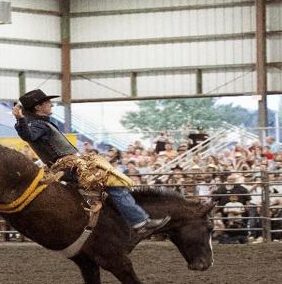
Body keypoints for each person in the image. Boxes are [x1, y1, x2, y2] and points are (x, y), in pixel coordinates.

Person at [13, 89, 168, 241]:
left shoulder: (40, 124)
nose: (51, 105)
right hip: (69, 168)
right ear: (38, 107)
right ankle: (140, 222)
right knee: (113, 185)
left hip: (70, 165)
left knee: (109, 186)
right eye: (47, 102)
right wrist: (20, 119)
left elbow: (28, 134)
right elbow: (28, 135)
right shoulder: (38, 125)